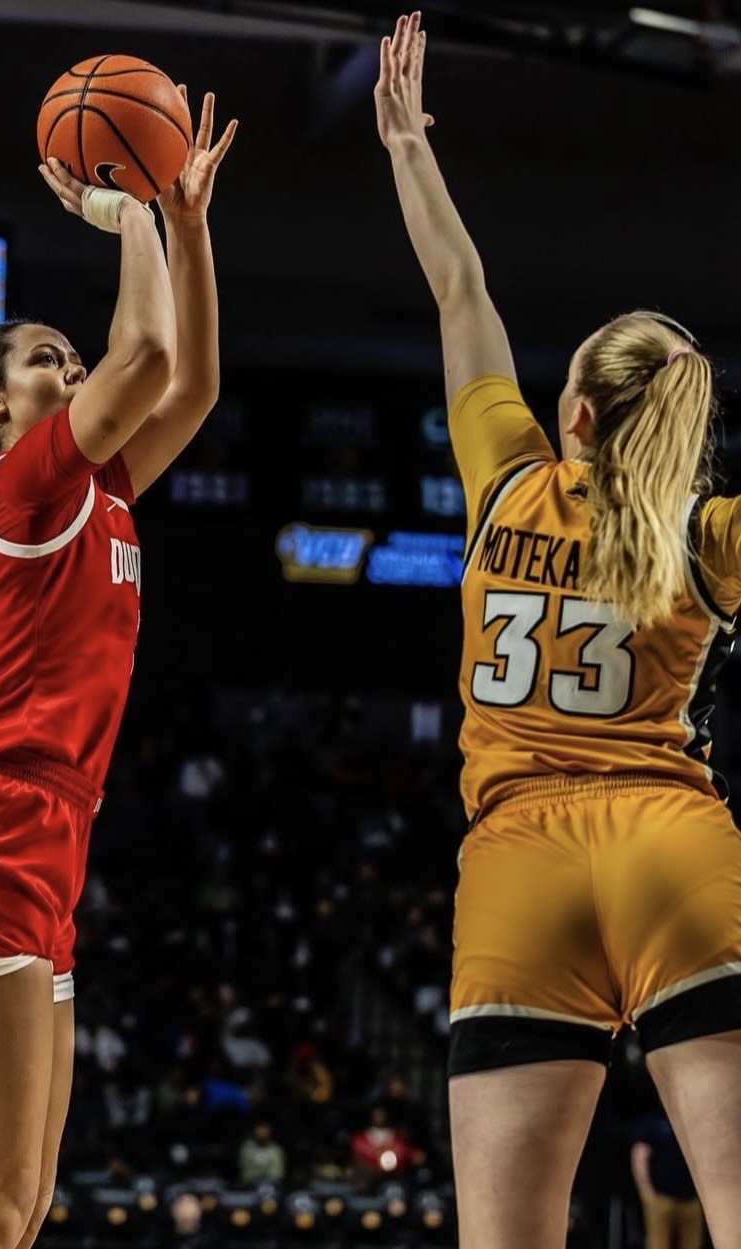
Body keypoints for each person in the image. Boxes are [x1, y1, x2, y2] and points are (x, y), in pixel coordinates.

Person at [376, 12, 741, 1249]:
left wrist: (411, 147)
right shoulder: (710, 533)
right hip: (673, 848)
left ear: (572, 410)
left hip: (519, 860)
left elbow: (459, 286)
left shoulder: (506, 479)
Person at [0, 91, 236, 1249]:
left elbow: (188, 385)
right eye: (49, 360)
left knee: (24, 1203)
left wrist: (185, 222)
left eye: (70, 358)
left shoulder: (101, 488)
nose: (74, 369)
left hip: (51, 837)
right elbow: (142, 352)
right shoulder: (18, 484)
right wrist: (120, 205)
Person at [632, 1110, 703, 1249]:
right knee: (658, 1244)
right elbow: (640, 1157)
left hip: (692, 1199)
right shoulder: (654, 1123)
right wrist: (646, 1193)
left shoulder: (693, 1122)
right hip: (661, 1198)